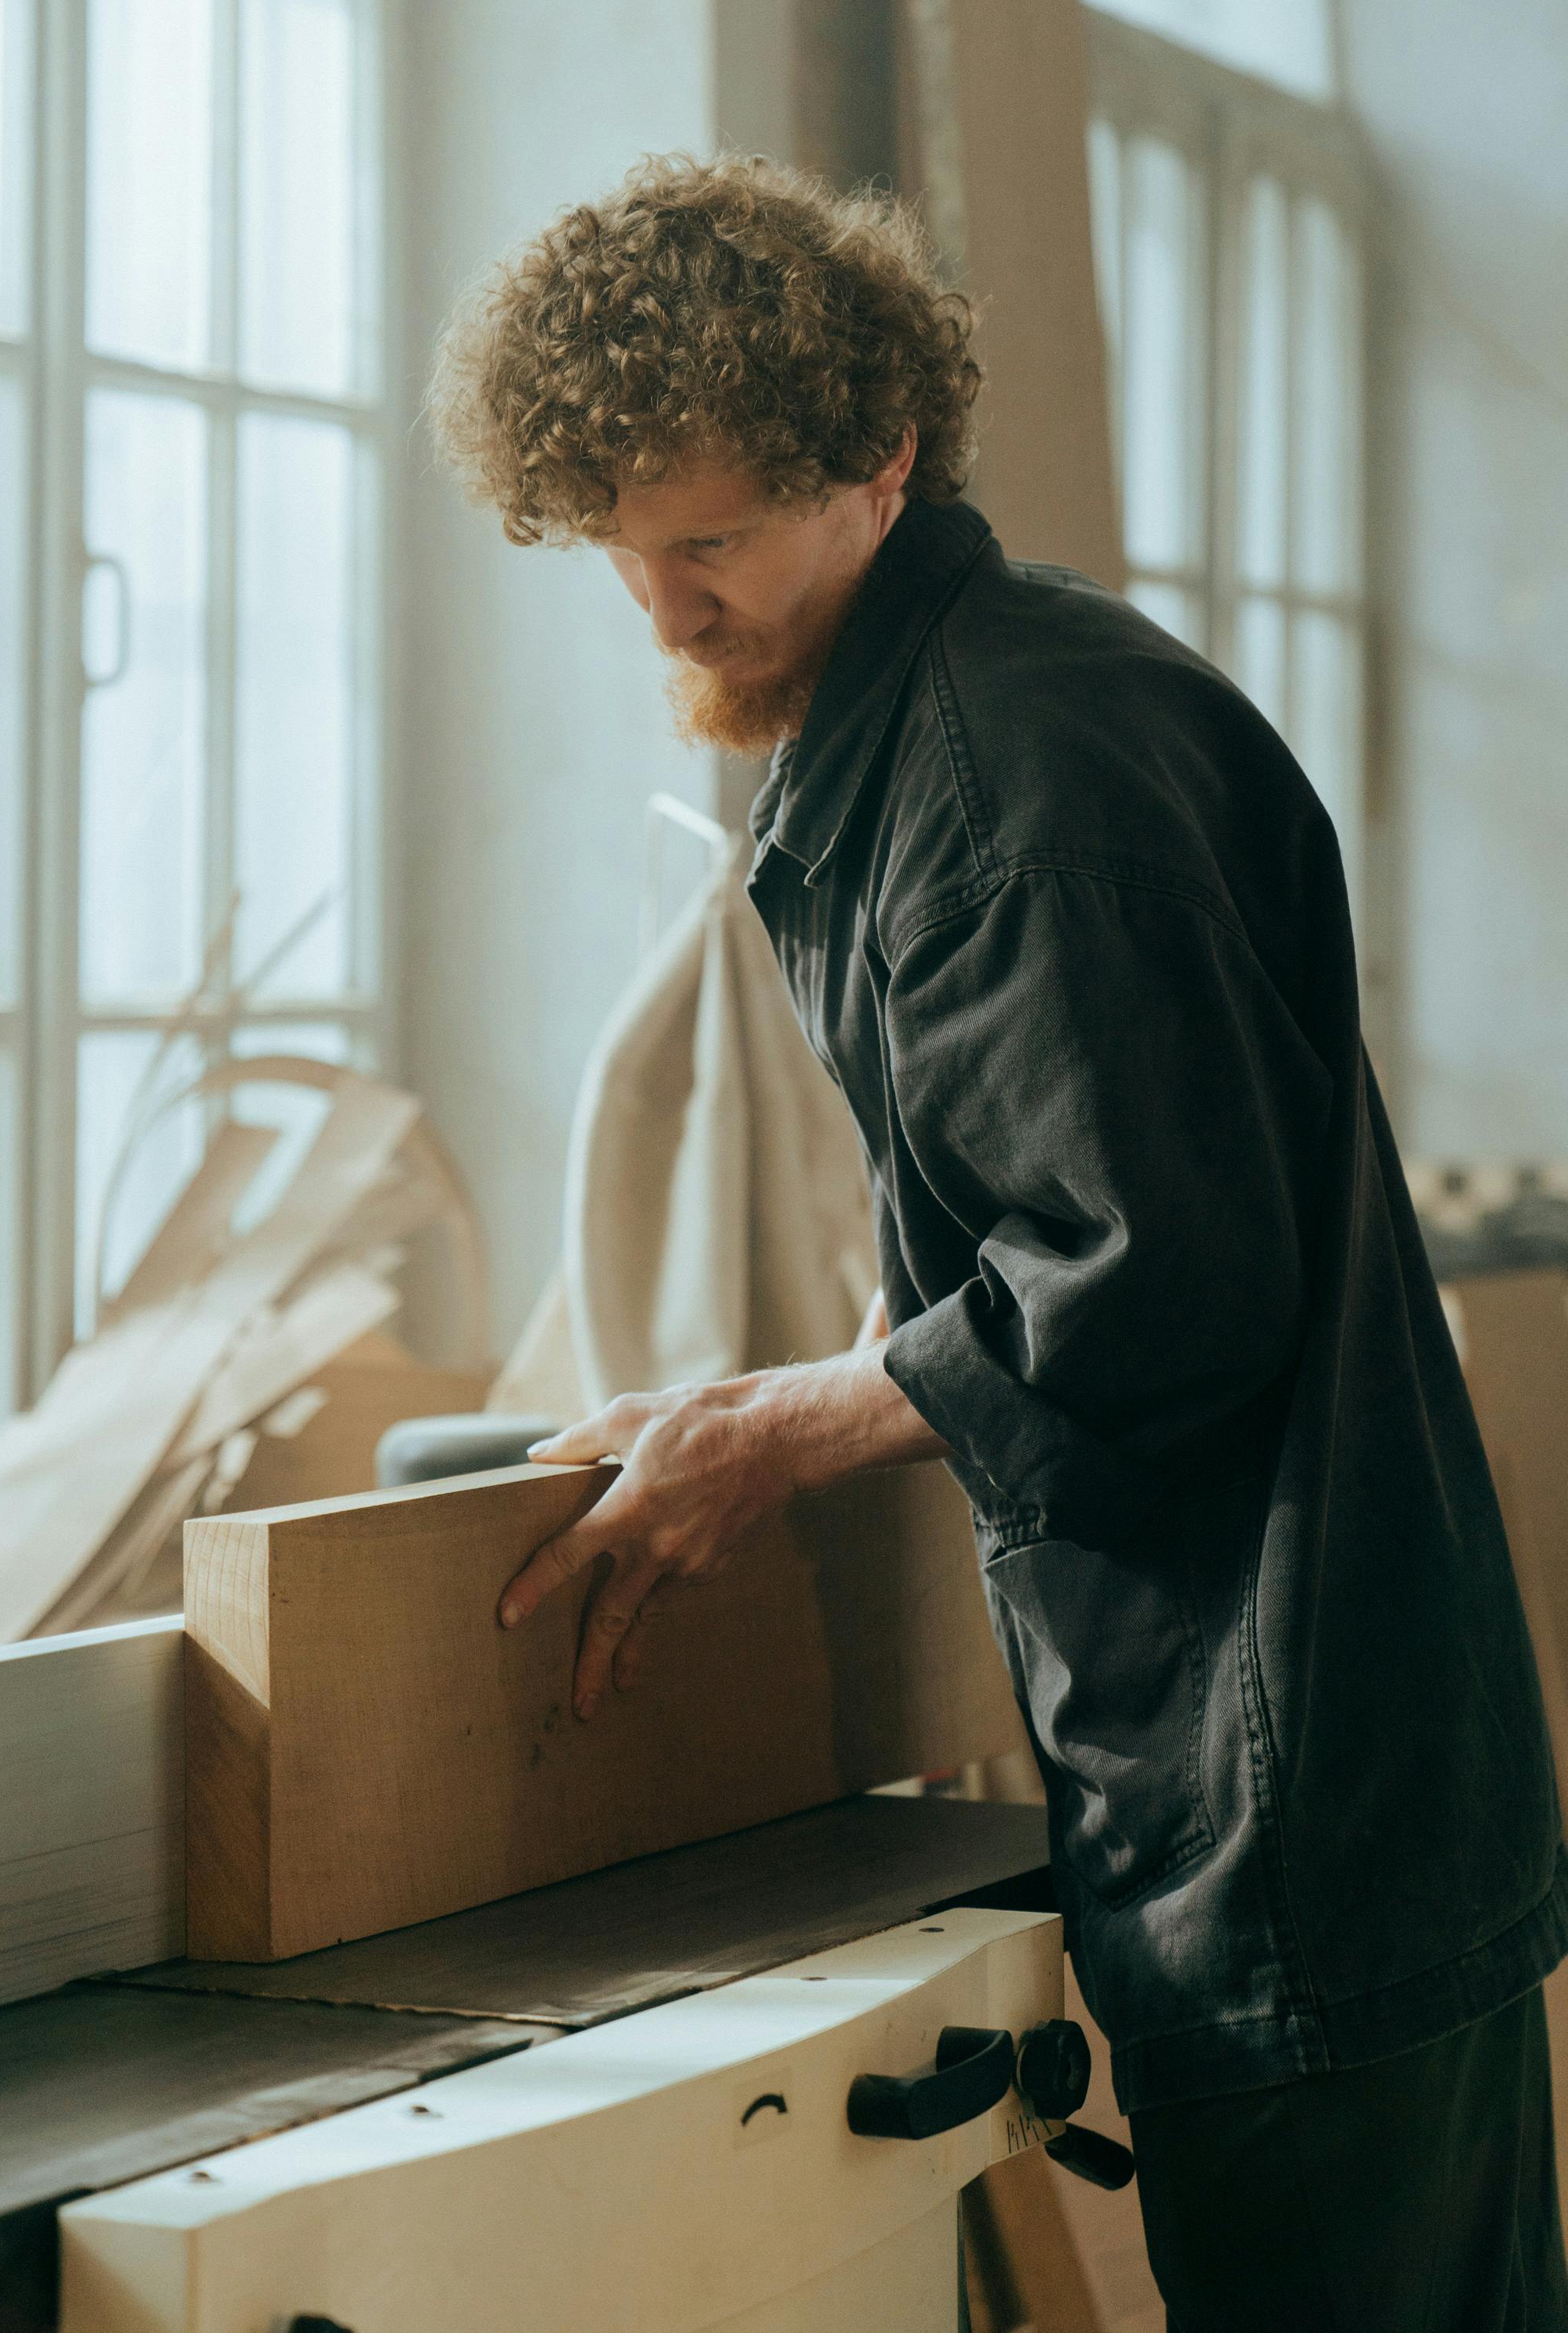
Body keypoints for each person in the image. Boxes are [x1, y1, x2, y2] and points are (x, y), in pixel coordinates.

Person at [430, 152, 1568, 2329]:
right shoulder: (954, 718)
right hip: (1303, 1755)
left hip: (1293, 1781)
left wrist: (777, 1426)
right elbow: (1052, 1180)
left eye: (708, 545)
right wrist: (853, 1347)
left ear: (880, 461)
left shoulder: (1004, 786)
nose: (663, 611)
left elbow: (1168, 1288)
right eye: (617, 554)